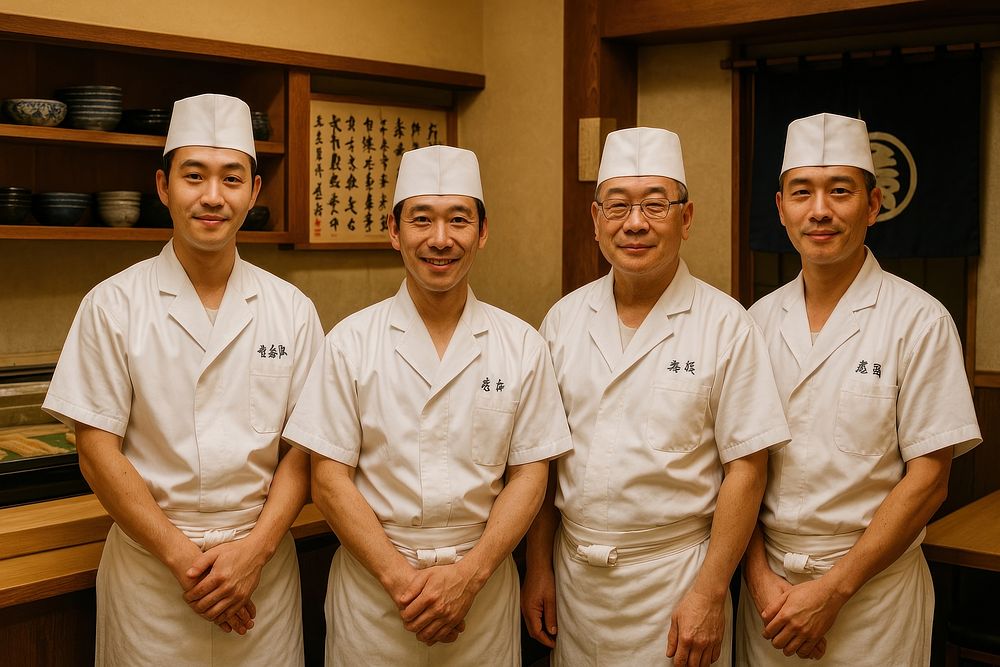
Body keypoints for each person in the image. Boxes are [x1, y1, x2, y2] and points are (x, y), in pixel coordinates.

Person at [43, 93, 322, 666]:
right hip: (152, 581)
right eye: (194, 176)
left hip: (260, 574)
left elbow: (303, 450)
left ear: (254, 192)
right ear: (164, 187)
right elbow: (96, 450)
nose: (213, 197)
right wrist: (181, 558)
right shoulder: (113, 304)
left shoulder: (291, 309)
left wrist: (254, 552)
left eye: (232, 178)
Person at [282, 144, 572, 666]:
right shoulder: (350, 343)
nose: (441, 239)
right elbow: (327, 476)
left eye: (458, 220)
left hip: (480, 596)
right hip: (374, 599)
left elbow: (531, 474)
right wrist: (399, 581)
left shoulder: (521, 344)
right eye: (422, 220)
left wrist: (470, 576)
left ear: (482, 232)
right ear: (394, 231)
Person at [521, 127, 790, 667]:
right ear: (596, 220)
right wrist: (539, 567)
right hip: (575, 580)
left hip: (676, 580)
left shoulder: (725, 324)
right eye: (618, 206)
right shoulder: (562, 321)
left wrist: (711, 593)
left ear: (686, 219)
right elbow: (545, 463)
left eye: (656, 205)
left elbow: (747, 469)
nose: (636, 223)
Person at [737, 112, 982, 665]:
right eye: (802, 192)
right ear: (780, 209)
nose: (819, 210)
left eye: (840, 191)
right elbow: (738, 467)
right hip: (770, 600)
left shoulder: (919, 319)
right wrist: (757, 579)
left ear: (873, 205)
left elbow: (929, 479)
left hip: (872, 598)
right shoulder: (753, 322)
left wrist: (833, 592)